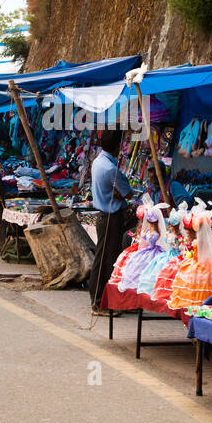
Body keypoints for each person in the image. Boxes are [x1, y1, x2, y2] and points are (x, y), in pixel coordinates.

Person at [90, 128, 133, 310]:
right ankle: (100, 302)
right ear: (116, 147)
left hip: (104, 215)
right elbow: (128, 192)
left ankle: (100, 300)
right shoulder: (110, 168)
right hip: (110, 218)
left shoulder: (98, 162)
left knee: (102, 257)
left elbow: (121, 192)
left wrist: (118, 193)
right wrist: (119, 194)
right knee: (108, 260)